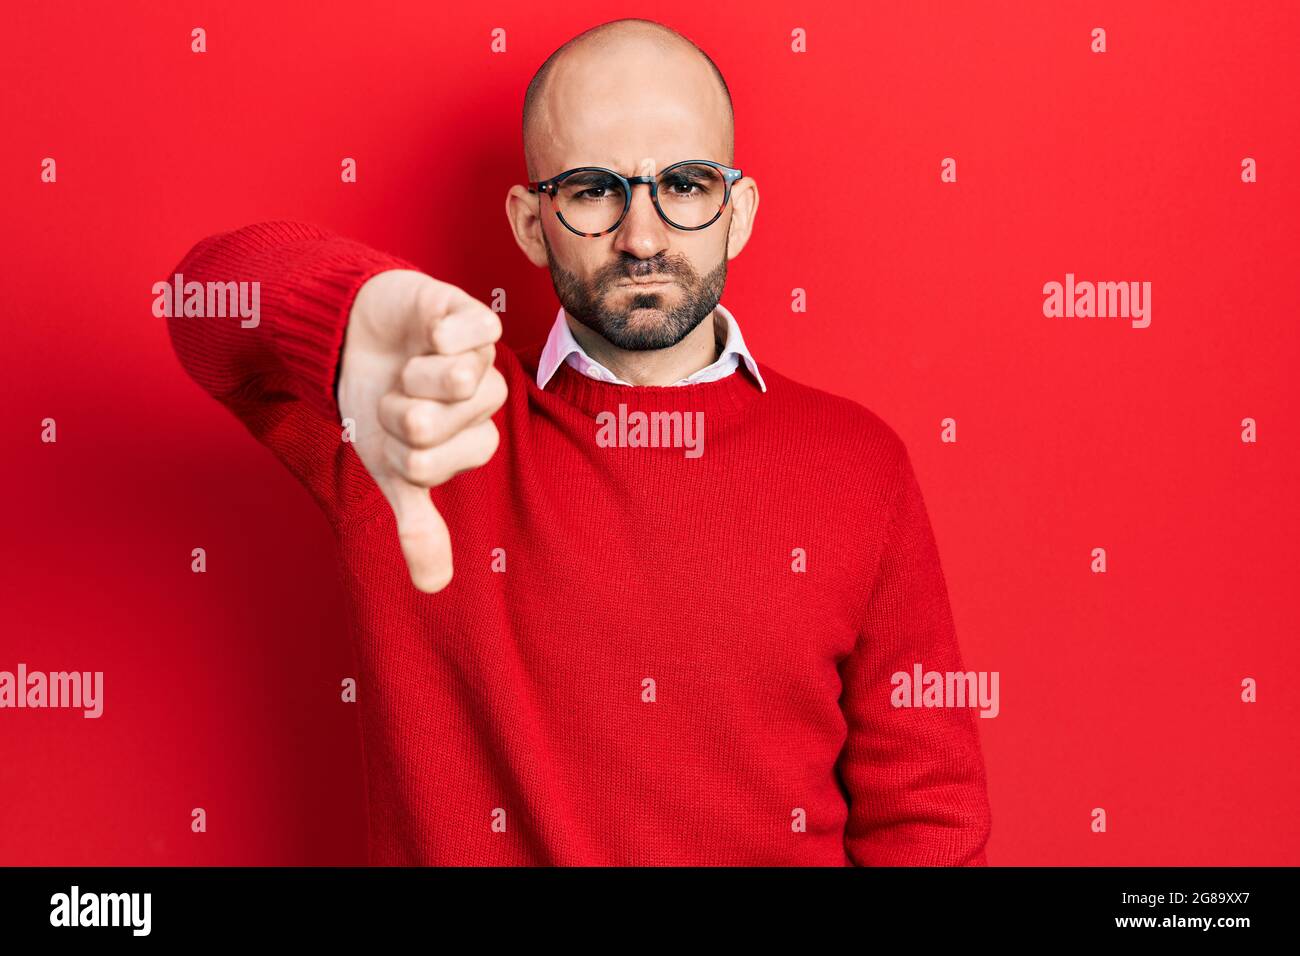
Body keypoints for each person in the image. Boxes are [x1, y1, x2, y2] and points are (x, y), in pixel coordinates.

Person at [165, 17, 992, 865]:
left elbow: (928, 818)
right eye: (594, 190)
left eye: (686, 182)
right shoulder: (415, 428)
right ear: (531, 223)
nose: (642, 236)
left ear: (737, 212)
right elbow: (202, 301)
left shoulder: (858, 463)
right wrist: (349, 312)